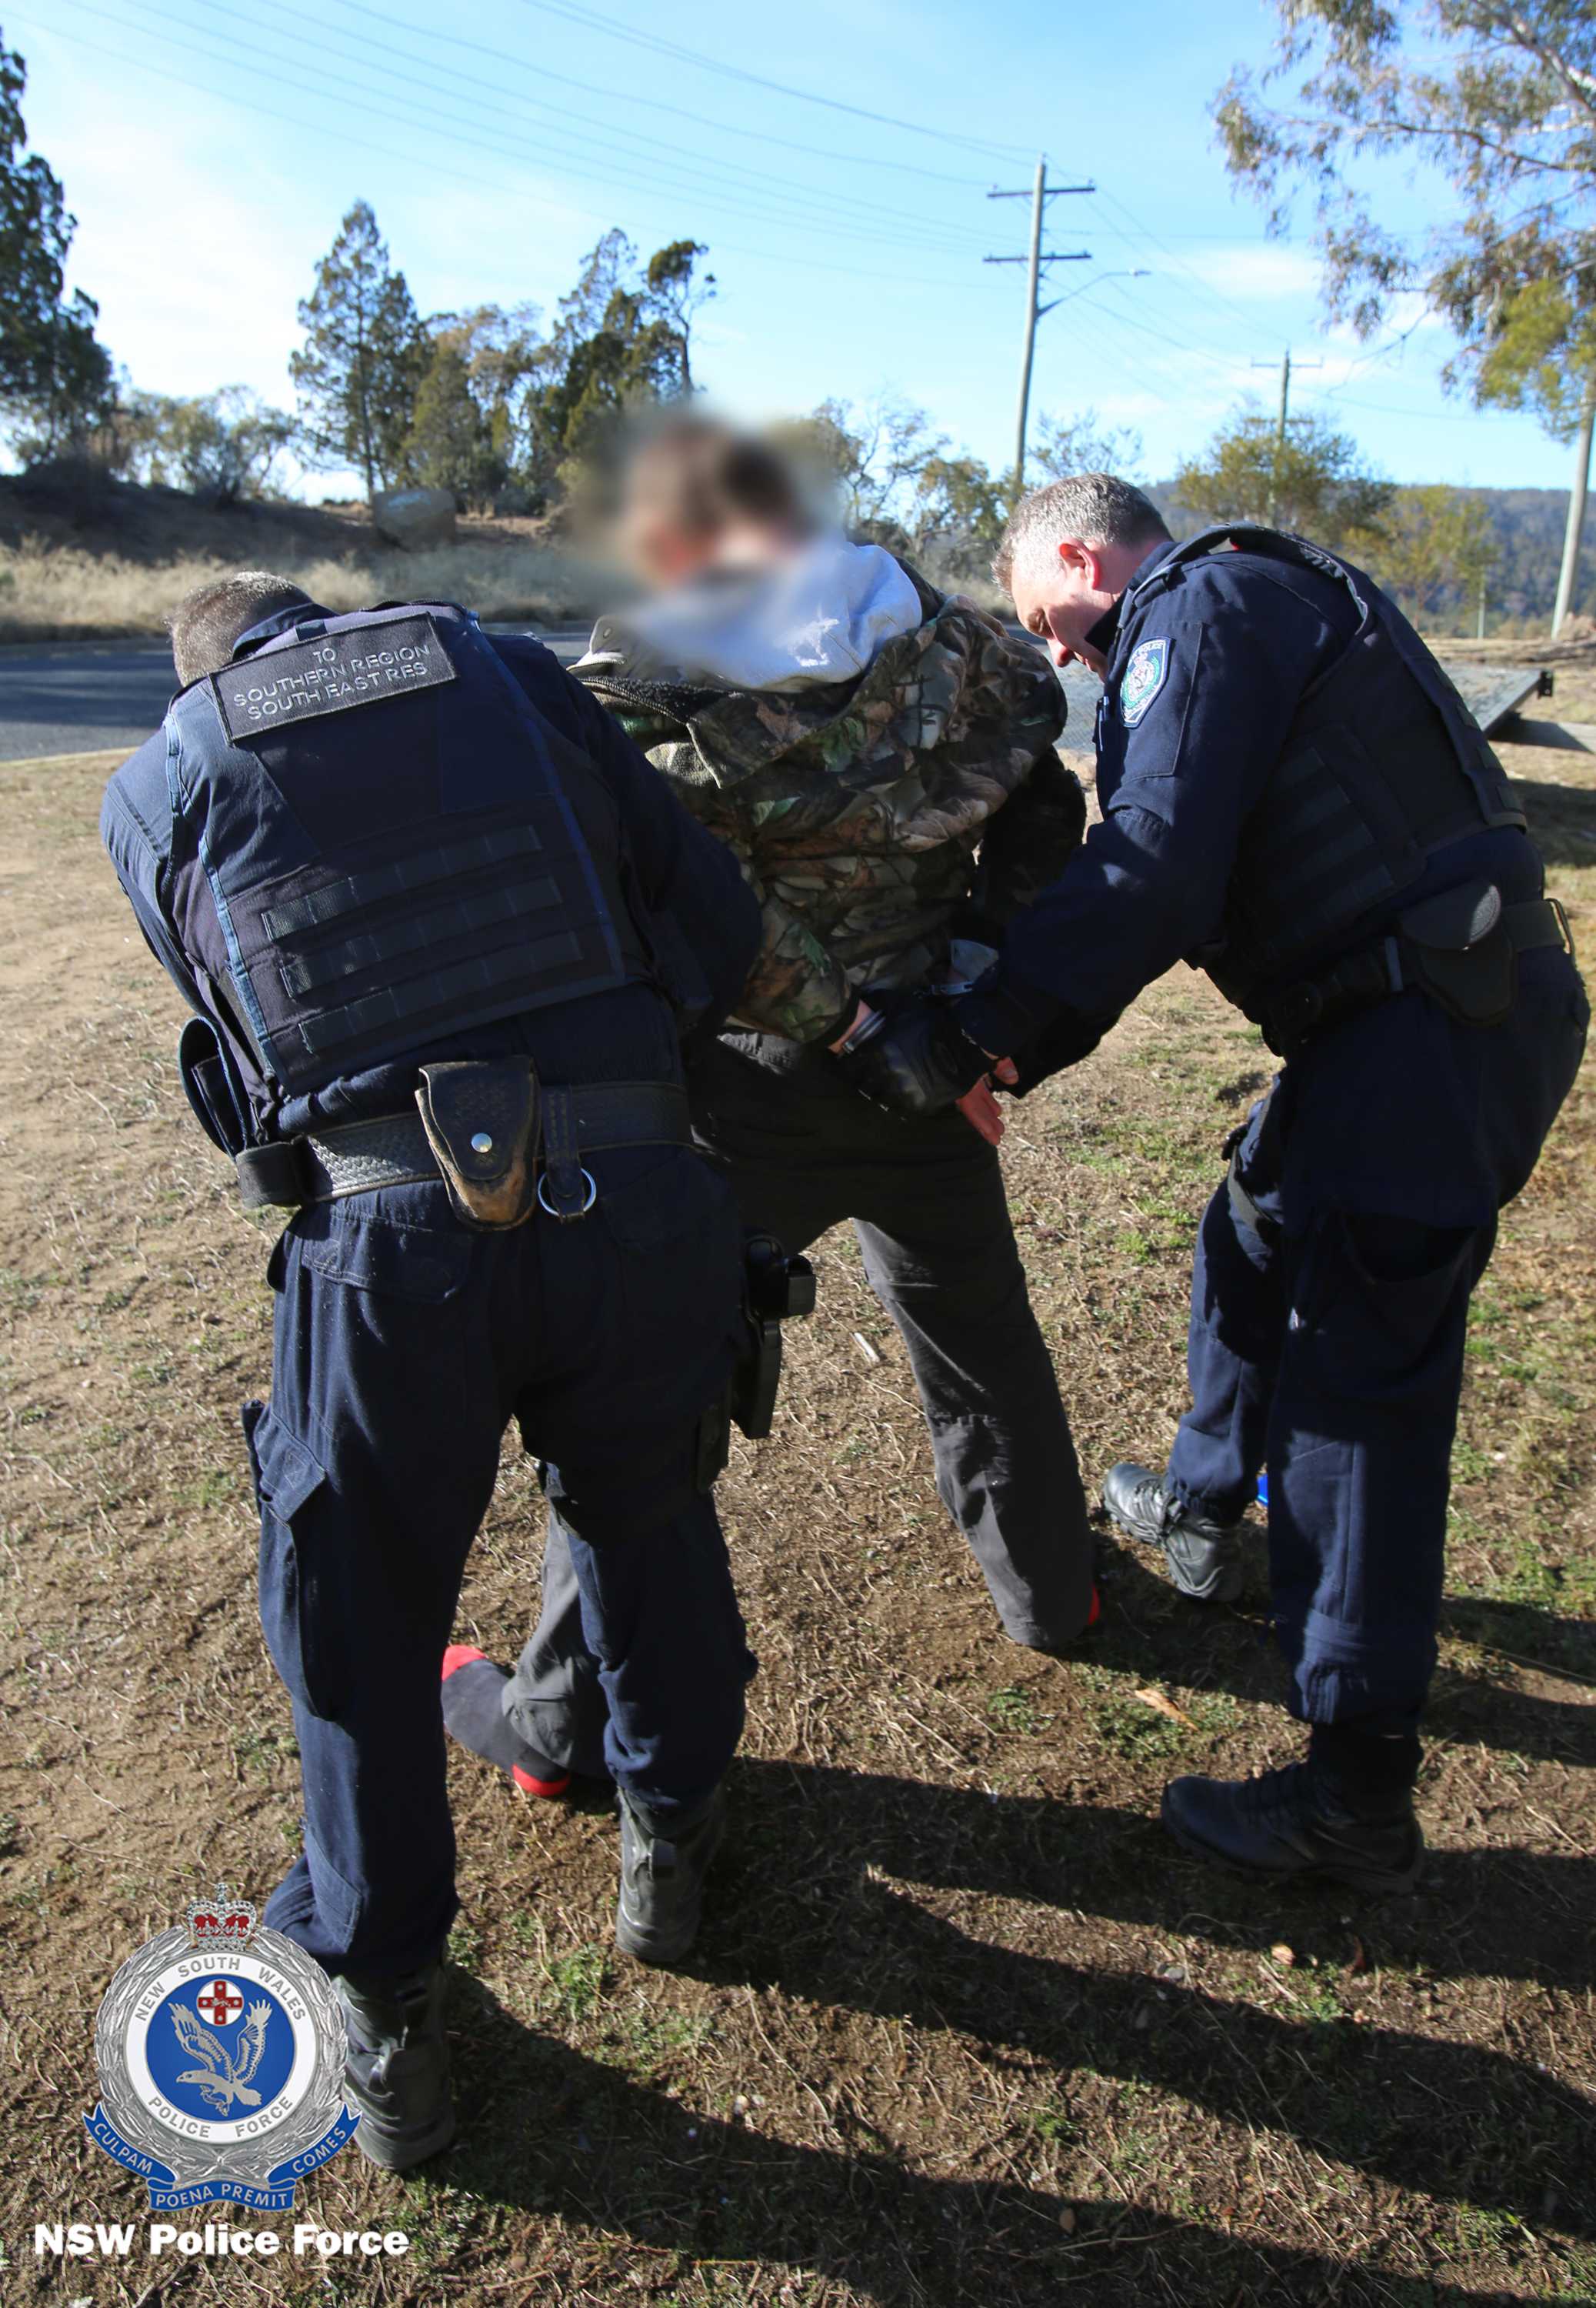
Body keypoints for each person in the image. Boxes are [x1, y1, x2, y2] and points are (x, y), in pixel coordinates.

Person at [100, 569, 765, 2171]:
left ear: (202, 673)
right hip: (633, 1194)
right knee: (645, 1512)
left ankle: (386, 1999)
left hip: (391, 1243)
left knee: (363, 1613)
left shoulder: (163, 778)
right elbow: (721, 931)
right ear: (321, 626)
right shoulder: (513, 673)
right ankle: (672, 1840)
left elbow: (240, 1056)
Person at [841, 475, 1588, 1891]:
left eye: (1047, 619)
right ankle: (1199, 1512)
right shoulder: (1249, 605)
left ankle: (1355, 1789)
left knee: (1357, 1396)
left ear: (1079, 552)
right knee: (1255, 1229)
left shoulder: (1205, 604)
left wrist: (980, 1038)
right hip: (1405, 1018)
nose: (1057, 656)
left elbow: (1157, 868)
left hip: (1426, 1034)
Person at [445, 417, 1098, 1803]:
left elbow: (635, 893)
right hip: (929, 1078)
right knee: (982, 1347)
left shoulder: (647, 675)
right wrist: (971, 1001)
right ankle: (1057, 1598)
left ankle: (557, 1727)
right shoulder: (961, 645)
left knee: (642, 1410)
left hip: (736, 1095)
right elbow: (1044, 818)